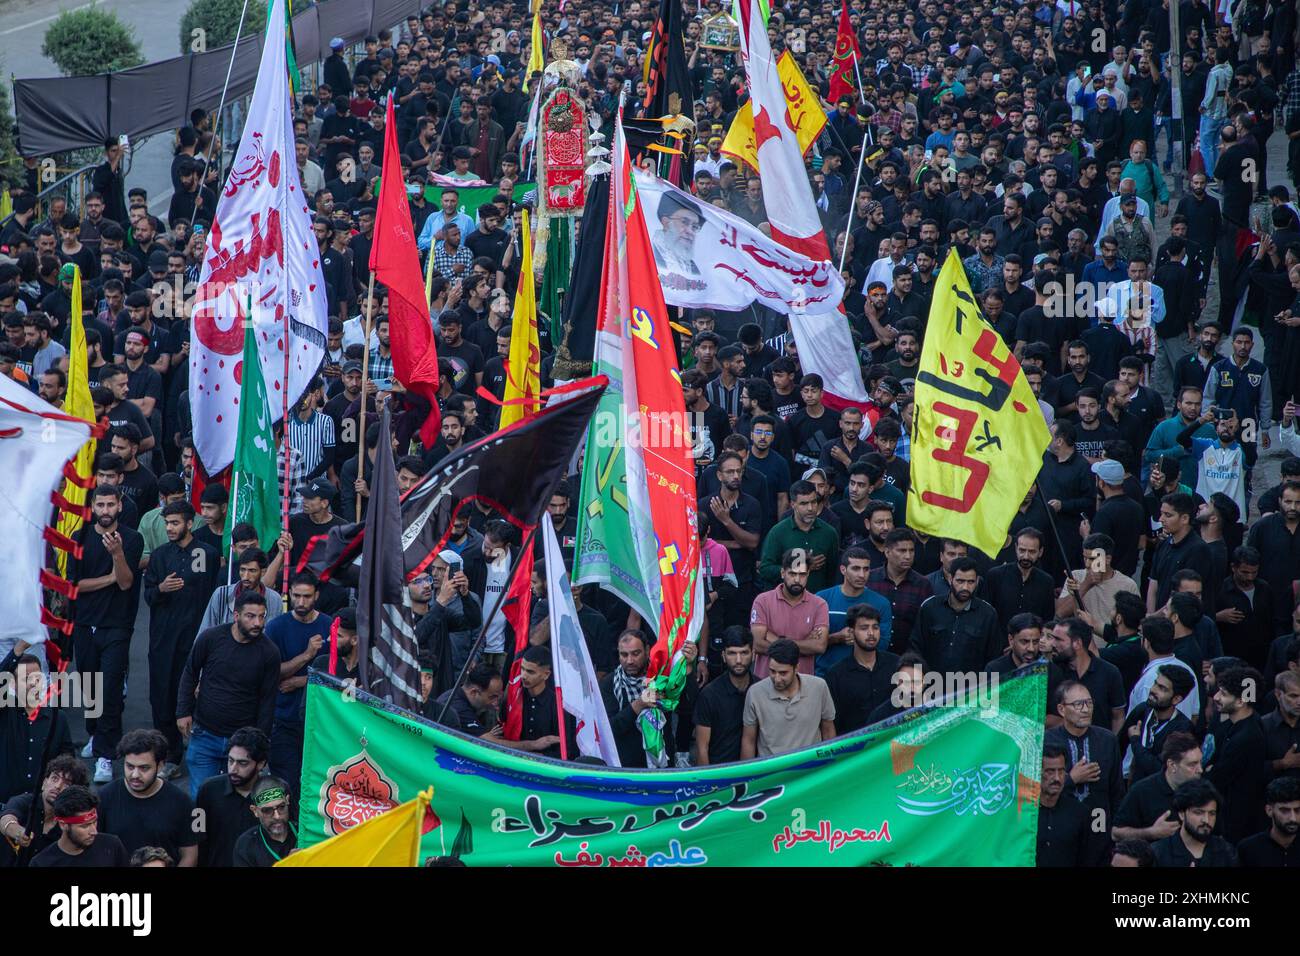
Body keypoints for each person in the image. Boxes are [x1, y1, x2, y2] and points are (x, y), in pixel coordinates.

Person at [70, 484, 144, 784]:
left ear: (120, 506)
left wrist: (117, 555)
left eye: (110, 505)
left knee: (110, 689)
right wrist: (107, 579)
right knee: (89, 686)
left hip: (117, 626)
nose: (105, 511)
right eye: (100, 505)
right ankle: (94, 733)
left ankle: (105, 754)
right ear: (93, 507)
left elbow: (126, 582)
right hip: (85, 624)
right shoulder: (80, 537)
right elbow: (74, 586)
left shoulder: (132, 539)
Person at [176, 592, 282, 801]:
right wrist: (183, 711)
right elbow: (190, 672)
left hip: (243, 740)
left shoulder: (269, 652)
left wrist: (260, 743)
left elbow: (268, 700)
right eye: (251, 616)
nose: (257, 623)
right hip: (205, 734)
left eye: (262, 616)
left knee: (242, 799)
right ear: (236, 615)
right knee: (201, 797)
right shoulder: (211, 638)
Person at [143, 500, 220, 775]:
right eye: (167, 524)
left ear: (189, 523)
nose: (170, 528)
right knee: (162, 696)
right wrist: (161, 588)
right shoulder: (160, 556)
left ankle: (203, 752)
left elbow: (215, 594)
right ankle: (169, 755)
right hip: (163, 640)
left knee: (196, 694)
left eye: (175, 523)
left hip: (197, 639)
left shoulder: (208, 554)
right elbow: (148, 595)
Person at [264, 572, 333, 805]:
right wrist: (307, 655)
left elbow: (337, 677)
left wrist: (301, 681)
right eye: (296, 596)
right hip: (284, 720)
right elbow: (271, 673)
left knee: (318, 787)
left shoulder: (330, 626)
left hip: (320, 724)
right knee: (287, 785)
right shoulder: (276, 627)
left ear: (317, 596)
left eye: (306, 597)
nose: (301, 602)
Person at [97, 729, 197, 866]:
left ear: (160, 765)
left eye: (144, 768)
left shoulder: (182, 802)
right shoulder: (104, 798)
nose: (135, 775)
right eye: (130, 766)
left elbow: (190, 855)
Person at [740, 639, 836, 758]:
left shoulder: (819, 687)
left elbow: (828, 731)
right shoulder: (755, 693)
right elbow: (749, 740)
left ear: (796, 668)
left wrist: (831, 764)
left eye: (783, 673)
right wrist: (748, 775)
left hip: (811, 769)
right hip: (773, 771)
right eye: (772, 671)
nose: (777, 678)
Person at [1045, 681, 1124, 824]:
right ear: (1062, 709)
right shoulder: (1046, 741)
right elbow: (1035, 790)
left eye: (1089, 703)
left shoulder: (1107, 740)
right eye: (1078, 704)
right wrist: (1071, 779)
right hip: (1058, 822)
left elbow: (1116, 790)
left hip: (1098, 822)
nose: (1086, 709)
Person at [1206, 665, 1268, 843]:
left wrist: (1210, 770)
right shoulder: (1249, 722)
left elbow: (1217, 778)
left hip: (1235, 822)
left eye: (1224, 694)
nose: (1216, 697)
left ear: (1241, 701)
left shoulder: (1245, 738)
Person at [194, 726, 269, 868]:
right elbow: (197, 839)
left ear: (261, 764)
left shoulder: (274, 792)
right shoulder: (208, 790)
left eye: (242, 763)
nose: (233, 769)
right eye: (230, 760)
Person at [911, 557, 1003, 674]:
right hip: (932, 685)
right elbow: (916, 648)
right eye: (960, 581)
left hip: (971, 688)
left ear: (977, 581)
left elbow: (993, 658)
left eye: (970, 582)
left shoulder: (988, 614)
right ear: (950, 579)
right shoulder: (930, 608)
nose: (965, 587)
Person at [750, 549, 830, 679]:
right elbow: (758, 644)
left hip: (803, 685)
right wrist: (805, 643)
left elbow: (820, 646)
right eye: (792, 574)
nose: (797, 579)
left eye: (802, 574)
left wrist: (776, 640)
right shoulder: (762, 601)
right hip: (766, 682)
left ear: (808, 574)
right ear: (782, 573)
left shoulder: (819, 605)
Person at [1113, 732, 1204, 843]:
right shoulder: (1142, 791)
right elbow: (1116, 833)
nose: (1200, 770)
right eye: (1192, 764)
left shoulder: (1204, 791)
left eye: (1200, 762)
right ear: (1172, 765)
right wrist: (1151, 832)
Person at [825, 604, 900, 735]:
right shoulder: (836, 675)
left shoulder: (896, 665)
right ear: (851, 632)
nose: (871, 633)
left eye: (875, 627)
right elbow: (831, 724)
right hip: (856, 750)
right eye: (864, 628)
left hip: (893, 746)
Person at [694, 627, 754, 766]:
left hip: (757, 773)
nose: (738, 660)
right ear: (723, 656)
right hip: (720, 772)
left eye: (744, 653)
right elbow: (702, 748)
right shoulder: (709, 695)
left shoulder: (762, 689)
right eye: (732, 653)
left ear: (754, 654)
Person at [29, 786, 129, 868]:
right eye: (85, 826)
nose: (94, 831)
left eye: (94, 822)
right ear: (63, 825)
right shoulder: (42, 863)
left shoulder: (112, 846)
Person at [1151, 779, 1239, 867]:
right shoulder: (1158, 853)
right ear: (1182, 814)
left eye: (1212, 813)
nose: (1206, 820)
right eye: (1198, 812)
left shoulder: (1226, 852)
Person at [1037, 743, 1095, 866]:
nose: (1057, 778)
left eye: (1061, 771)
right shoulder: (1025, 812)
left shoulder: (1080, 814)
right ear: (1037, 772)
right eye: (1050, 771)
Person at [232, 776, 297, 866]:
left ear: (287, 801)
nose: (277, 816)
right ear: (255, 811)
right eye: (267, 811)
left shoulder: (304, 833)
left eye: (281, 807)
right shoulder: (246, 845)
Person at [1236, 777, 1300, 866]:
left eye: (1297, 810)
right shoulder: (1249, 849)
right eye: (1285, 810)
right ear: (1269, 810)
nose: (1293, 818)